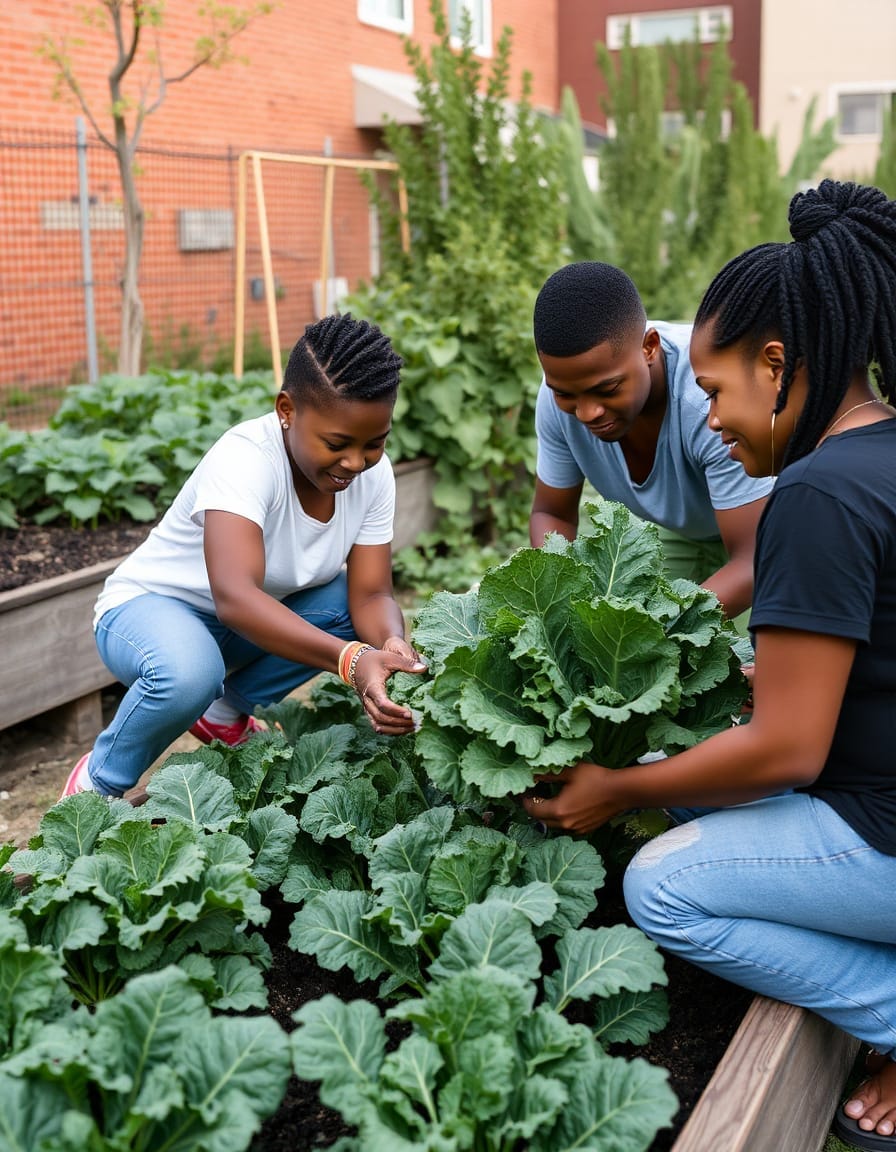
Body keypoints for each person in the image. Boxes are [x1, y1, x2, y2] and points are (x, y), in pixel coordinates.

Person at [522, 180, 896, 1149]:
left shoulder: (815, 496)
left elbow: (786, 753)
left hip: (883, 829)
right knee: (696, 795)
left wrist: (616, 787)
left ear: (775, 366)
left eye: (717, 391)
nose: (712, 419)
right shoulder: (880, 451)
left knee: (660, 886)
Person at [61, 313, 426, 800]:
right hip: (149, 612)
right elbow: (234, 597)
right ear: (287, 410)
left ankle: (224, 713)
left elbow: (371, 594)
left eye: (374, 444)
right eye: (336, 444)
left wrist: (389, 642)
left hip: (238, 630)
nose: (356, 462)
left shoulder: (373, 478)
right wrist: (350, 660)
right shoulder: (246, 459)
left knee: (345, 605)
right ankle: (96, 784)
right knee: (189, 673)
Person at [530, 261, 774, 623]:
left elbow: (753, 560)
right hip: (679, 531)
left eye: (607, 389)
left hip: (766, 536)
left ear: (649, 348)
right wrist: (560, 599)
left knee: (740, 651)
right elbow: (551, 514)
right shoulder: (558, 400)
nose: (586, 412)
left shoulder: (709, 403)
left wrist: (647, 635)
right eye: (565, 394)